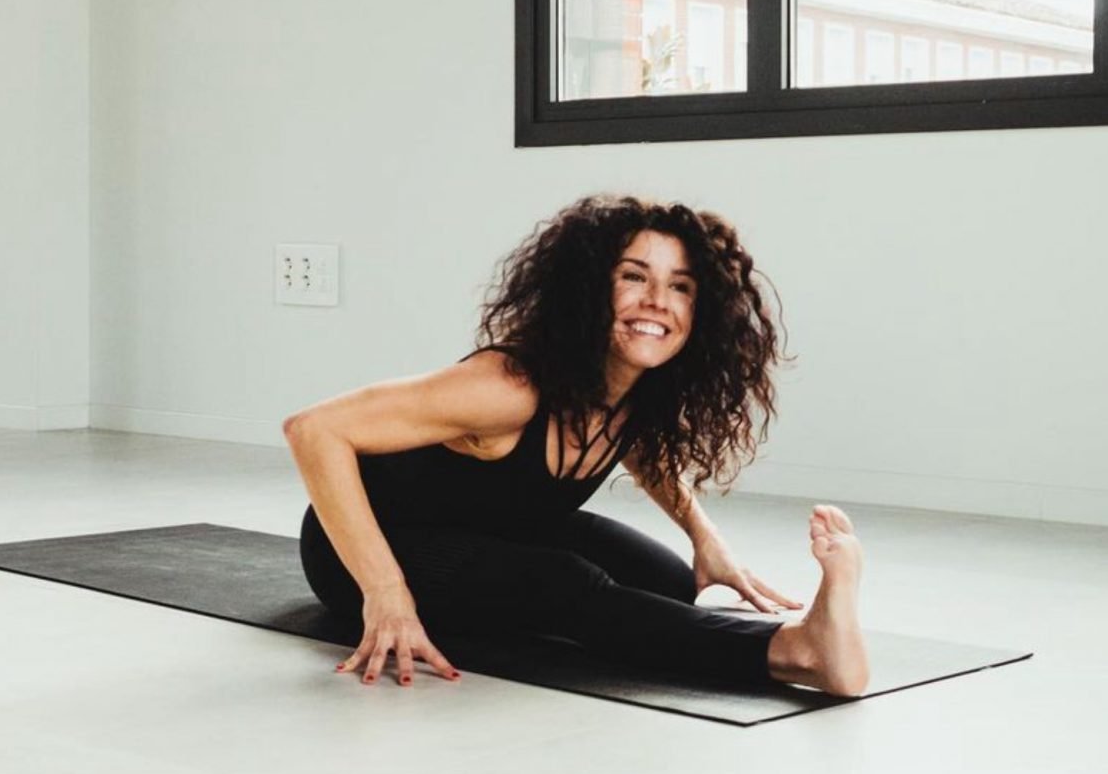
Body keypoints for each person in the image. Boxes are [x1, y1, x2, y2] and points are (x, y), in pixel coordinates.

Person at [282, 194, 869, 697]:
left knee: (666, 584)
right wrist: (385, 593)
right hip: (366, 548)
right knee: (564, 586)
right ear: (590, 289)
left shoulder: (635, 386)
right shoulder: (508, 388)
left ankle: (532, 595)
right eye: (634, 276)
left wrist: (705, 540)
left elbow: (638, 448)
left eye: (680, 285)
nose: (657, 301)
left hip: (498, 528)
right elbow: (314, 429)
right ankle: (797, 652)